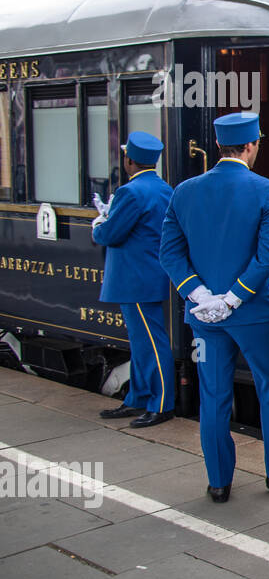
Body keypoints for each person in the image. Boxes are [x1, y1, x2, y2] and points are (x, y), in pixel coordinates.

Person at [159, 111, 269, 503]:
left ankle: (219, 483)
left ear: (217, 145)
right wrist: (234, 297)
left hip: (203, 317)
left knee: (213, 396)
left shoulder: (183, 191)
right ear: (252, 146)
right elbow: (268, 257)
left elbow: (169, 252)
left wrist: (200, 295)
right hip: (251, 313)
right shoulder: (266, 190)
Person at [93, 132, 175, 428]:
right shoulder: (163, 188)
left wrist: (100, 222)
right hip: (151, 275)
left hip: (135, 279)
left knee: (151, 344)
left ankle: (162, 403)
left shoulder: (131, 192)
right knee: (143, 343)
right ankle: (138, 398)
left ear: (129, 161)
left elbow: (110, 234)